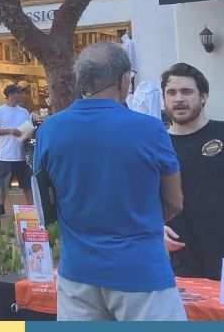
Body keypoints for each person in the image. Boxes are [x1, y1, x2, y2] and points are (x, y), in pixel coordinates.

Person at [33, 42, 185, 321]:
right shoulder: (149, 128)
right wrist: (147, 220)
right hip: (141, 271)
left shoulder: (50, 129)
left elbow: (45, 202)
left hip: (77, 272)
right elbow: (175, 202)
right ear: (123, 79)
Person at [160, 63, 224, 280]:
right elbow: (138, 199)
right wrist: (155, 228)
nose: (178, 98)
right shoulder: (155, 145)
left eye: (186, 91)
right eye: (171, 92)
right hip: (178, 260)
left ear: (204, 96)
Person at [0, 84, 33, 215]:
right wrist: (10, 131)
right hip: (5, 155)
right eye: (18, 93)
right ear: (11, 95)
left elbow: (29, 129)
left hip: (22, 155)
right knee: (2, 185)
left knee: (27, 185)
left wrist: (27, 133)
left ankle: (31, 209)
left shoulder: (24, 112)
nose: (21, 95)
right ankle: (0, 207)